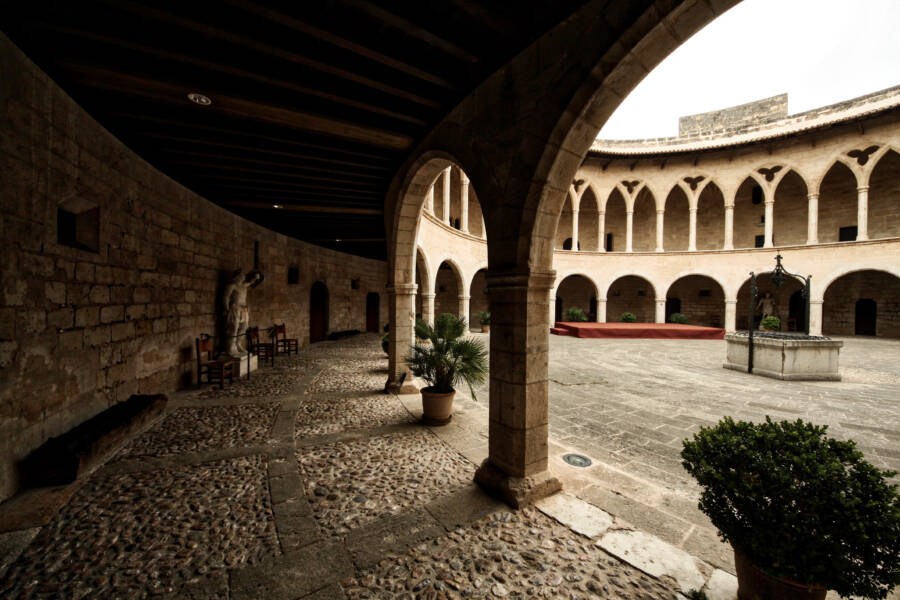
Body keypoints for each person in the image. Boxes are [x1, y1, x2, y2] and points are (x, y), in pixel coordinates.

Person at [222, 269, 263, 356]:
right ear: (237, 277)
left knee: (244, 327)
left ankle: (238, 344)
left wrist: (256, 278)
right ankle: (231, 347)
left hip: (244, 309)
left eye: (243, 276)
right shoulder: (232, 285)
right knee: (234, 327)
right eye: (241, 276)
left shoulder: (243, 286)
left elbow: (251, 282)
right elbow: (226, 297)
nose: (243, 277)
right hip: (235, 308)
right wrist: (226, 309)